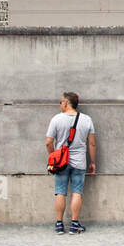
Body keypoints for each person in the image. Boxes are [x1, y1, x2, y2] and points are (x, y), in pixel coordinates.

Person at [46, 91, 97, 235]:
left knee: (60, 192)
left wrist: (54, 156)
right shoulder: (86, 119)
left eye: (61, 102)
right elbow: (92, 143)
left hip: (61, 162)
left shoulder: (56, 119)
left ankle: (59, 224)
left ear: (66, 103)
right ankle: (74, 224)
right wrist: (92, 162)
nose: (60, 104)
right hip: (79, 162)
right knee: (77, 192)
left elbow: (48, 142)